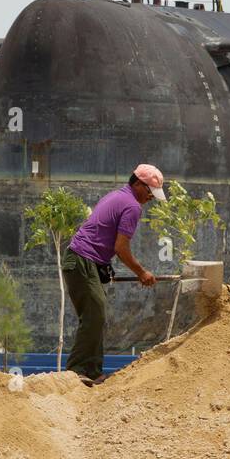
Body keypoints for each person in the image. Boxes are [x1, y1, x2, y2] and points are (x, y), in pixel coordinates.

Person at [63, 164, 164, 385]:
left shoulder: (117, 196)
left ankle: (93, 372)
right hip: (82, 260)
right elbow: (121, 248)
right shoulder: (132, 206)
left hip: (81, 260)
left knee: (96, 315)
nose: (151, 198)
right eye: (149, 192)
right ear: (138, 184)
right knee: (94, 315)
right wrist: (142, 273)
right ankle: (76, 371)